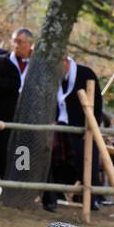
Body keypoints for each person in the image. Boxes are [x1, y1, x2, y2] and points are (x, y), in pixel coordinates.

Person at [43, 54, 100, 212]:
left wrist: (92, 127)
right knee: (54, 162)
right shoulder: (52, 78)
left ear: (65, 61)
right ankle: (54, 198)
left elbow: (97, 105)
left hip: (82, 126)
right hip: (58, 126)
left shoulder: (85, 74)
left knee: (86, 163)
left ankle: (91, 200)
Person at [0, 26, 30, 202]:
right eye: (14, 41)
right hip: (3, 116)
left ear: (30, 44)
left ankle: (21, 191)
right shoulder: (2, 62)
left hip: (27, 117)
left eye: (21, 42)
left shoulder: (36, 65)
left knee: (22, 152)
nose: (17, 45)